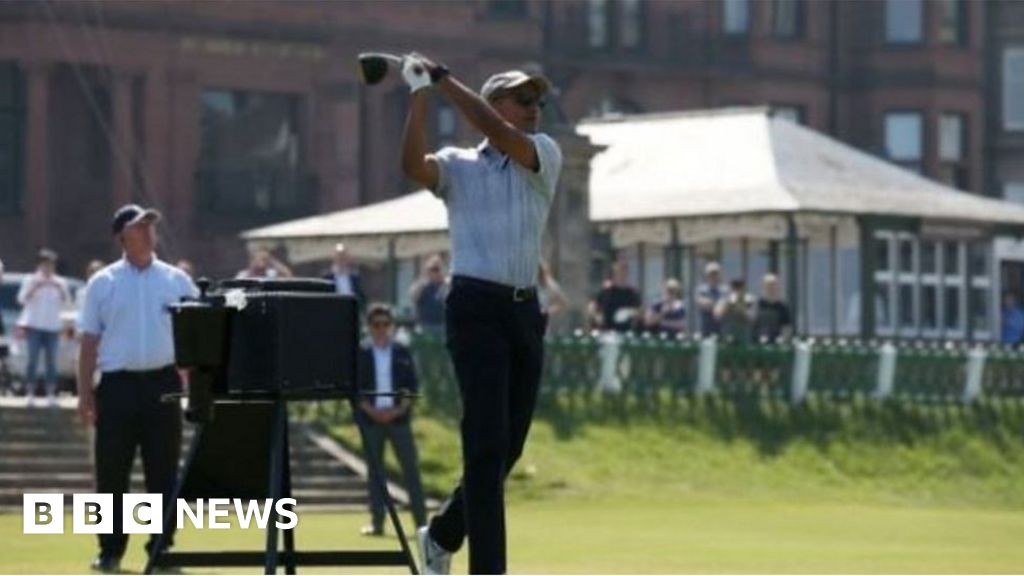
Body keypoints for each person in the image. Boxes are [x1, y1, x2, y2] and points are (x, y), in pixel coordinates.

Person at [400, 53, 562, 574]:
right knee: (486, 447)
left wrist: (444, 80)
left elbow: (493, 127)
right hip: (474, 308)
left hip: (523, 312)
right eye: (523, 99)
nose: (534, 108)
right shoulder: (459, 165)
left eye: (537, 100)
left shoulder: (544, 153)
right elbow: (412, 166)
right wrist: (421, 96)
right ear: (495, 102)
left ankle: (443, 533)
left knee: (507, 448)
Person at [76, 204, 198, 573]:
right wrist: (84, 394)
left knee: (164, 472)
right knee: (112, 471)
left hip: (163, 383)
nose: (147, 232)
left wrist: (197, 384)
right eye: (138, 227)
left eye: (150, 227)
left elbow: (198, 334)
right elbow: (88, 343)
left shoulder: (176, 280)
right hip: (117, 385)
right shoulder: (103, 284)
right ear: (121, 237)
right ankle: (110, 550)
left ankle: (162, 548)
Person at [355, 303, 428, 536]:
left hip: (398, 420)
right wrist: (371, 410)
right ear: (369, 327)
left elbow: (411, 385)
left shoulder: (402, 351)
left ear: (392, 326)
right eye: (376, 325)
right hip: (372, 419)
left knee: (411, 470)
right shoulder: (361, 352)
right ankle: (377, 522)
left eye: (385, 324)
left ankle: (421, 524)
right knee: (375, 474)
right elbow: (355, 389)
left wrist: (397, 410)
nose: (381, 329)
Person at [17, 248, 70, 407]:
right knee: (32, 360)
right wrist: (36, 287)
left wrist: (58, 288)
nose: (48, 268)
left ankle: (51, 394)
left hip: (52, 327)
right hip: (34, 326)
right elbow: (21, 300)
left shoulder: (60, 282)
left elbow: (67, 302)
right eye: (45, 264)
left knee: (51, 362)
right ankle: (30, 393)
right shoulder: (30, 279)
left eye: (51, 265)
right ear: (39, 265)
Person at [588, 260, 642, 333]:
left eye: (623, 272)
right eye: (618, 273)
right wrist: (597, 316)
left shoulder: (632, 293)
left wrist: (629, 312)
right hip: (606, 331)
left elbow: (639, 311)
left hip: (624, 332)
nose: (621, 275)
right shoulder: (607, 291)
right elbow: (592, 306)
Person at [408, 254, 449, 336]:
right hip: (425, 327)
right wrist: (423, 277)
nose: (435, 272)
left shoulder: (447, 285)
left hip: (443, 327)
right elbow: (413, 296)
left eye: (437, 269)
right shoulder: (422, 285)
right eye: (432, 269)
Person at [714, 278, 756, 345]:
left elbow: (752, 318)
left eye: (739, 288)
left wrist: (741, 307)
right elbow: (717, 316)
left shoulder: (750, 301)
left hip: (743, 337)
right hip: (728, 335)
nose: (737, 291)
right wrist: (728, 305)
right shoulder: (724, 299)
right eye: (735, 288)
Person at [323, 243, 366, 307]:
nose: (341, 258)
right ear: (334, 258)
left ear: (348, 258)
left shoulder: (355, 278)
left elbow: (361, 297)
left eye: (344, 255)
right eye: (339, 255)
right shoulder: (326, 277)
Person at [753, 273, 792, 342]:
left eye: (774, 285)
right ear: (763, 287)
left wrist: (783, 340)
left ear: (778, 287)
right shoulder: (757, 306)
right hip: (758, 345)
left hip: (777, 345)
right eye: (768, 285)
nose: (771, 288)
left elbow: (787, 327)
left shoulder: (783, 307)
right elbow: (752, 325)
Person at [696, 261, 728, 337]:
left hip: (721, 330)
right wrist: (717, 304)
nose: (713, 276)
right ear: (706, 275)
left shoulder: (725, 290)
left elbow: (721, 310)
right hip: (705, 330)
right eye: (711, 274)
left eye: (716, 274)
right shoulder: (701, 290)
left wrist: (716, 305)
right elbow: (702, 304)